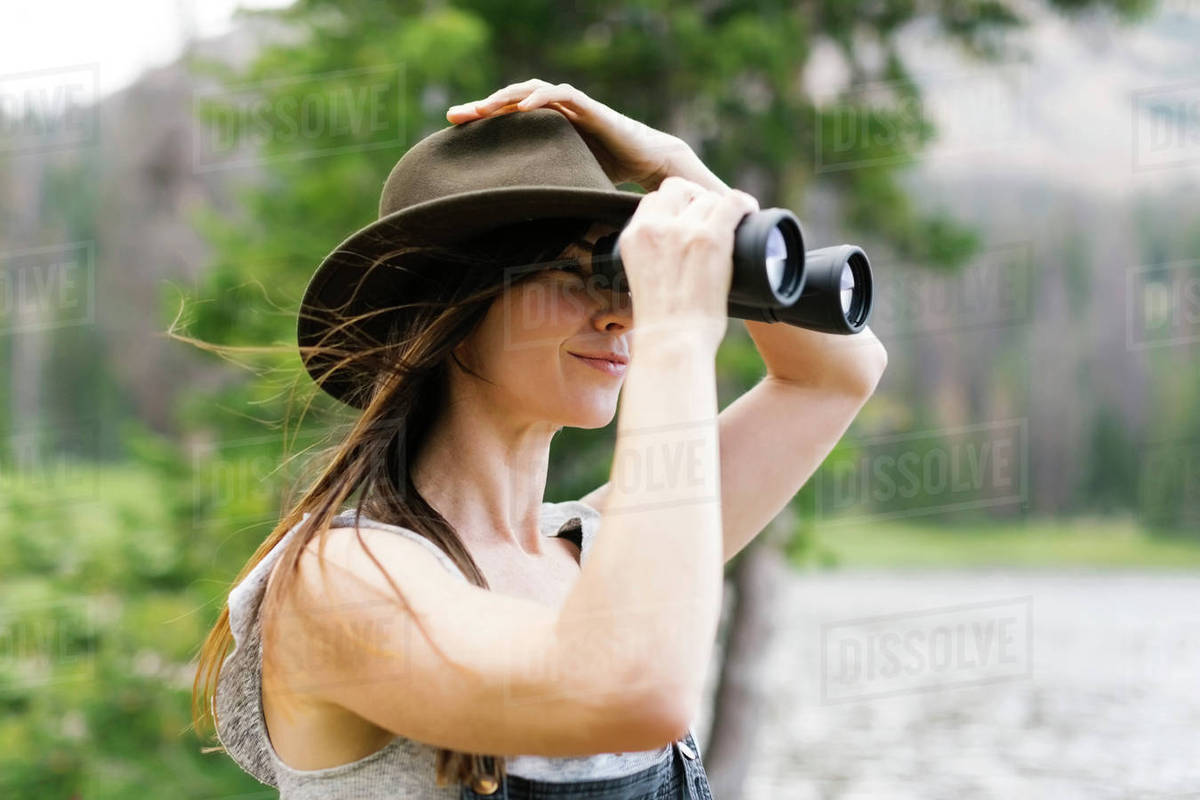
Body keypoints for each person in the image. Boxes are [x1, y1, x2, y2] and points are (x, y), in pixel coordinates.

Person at [191, 87, 887, 799]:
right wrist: (678, 330)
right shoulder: (342, 580)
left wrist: (677, 172)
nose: (621, 315)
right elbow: (630, 689)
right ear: (448, 307)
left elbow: (836, 374)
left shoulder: (602, 551)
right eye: (573, 274)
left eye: (624, 279)